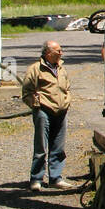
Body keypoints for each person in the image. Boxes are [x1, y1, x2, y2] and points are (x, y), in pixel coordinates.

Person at [21, 40, 75, 191]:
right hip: (43, 112)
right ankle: (36, 179)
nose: (61, 53)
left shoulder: (62, 69)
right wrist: (37, 105)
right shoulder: (35, 69)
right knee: (41, 148)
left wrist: (67, 101)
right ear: (48, 53)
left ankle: (55, 178)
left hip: (61, 112)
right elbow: (26, 92)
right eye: (58, 51)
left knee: (58, 147)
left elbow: (67, 88)